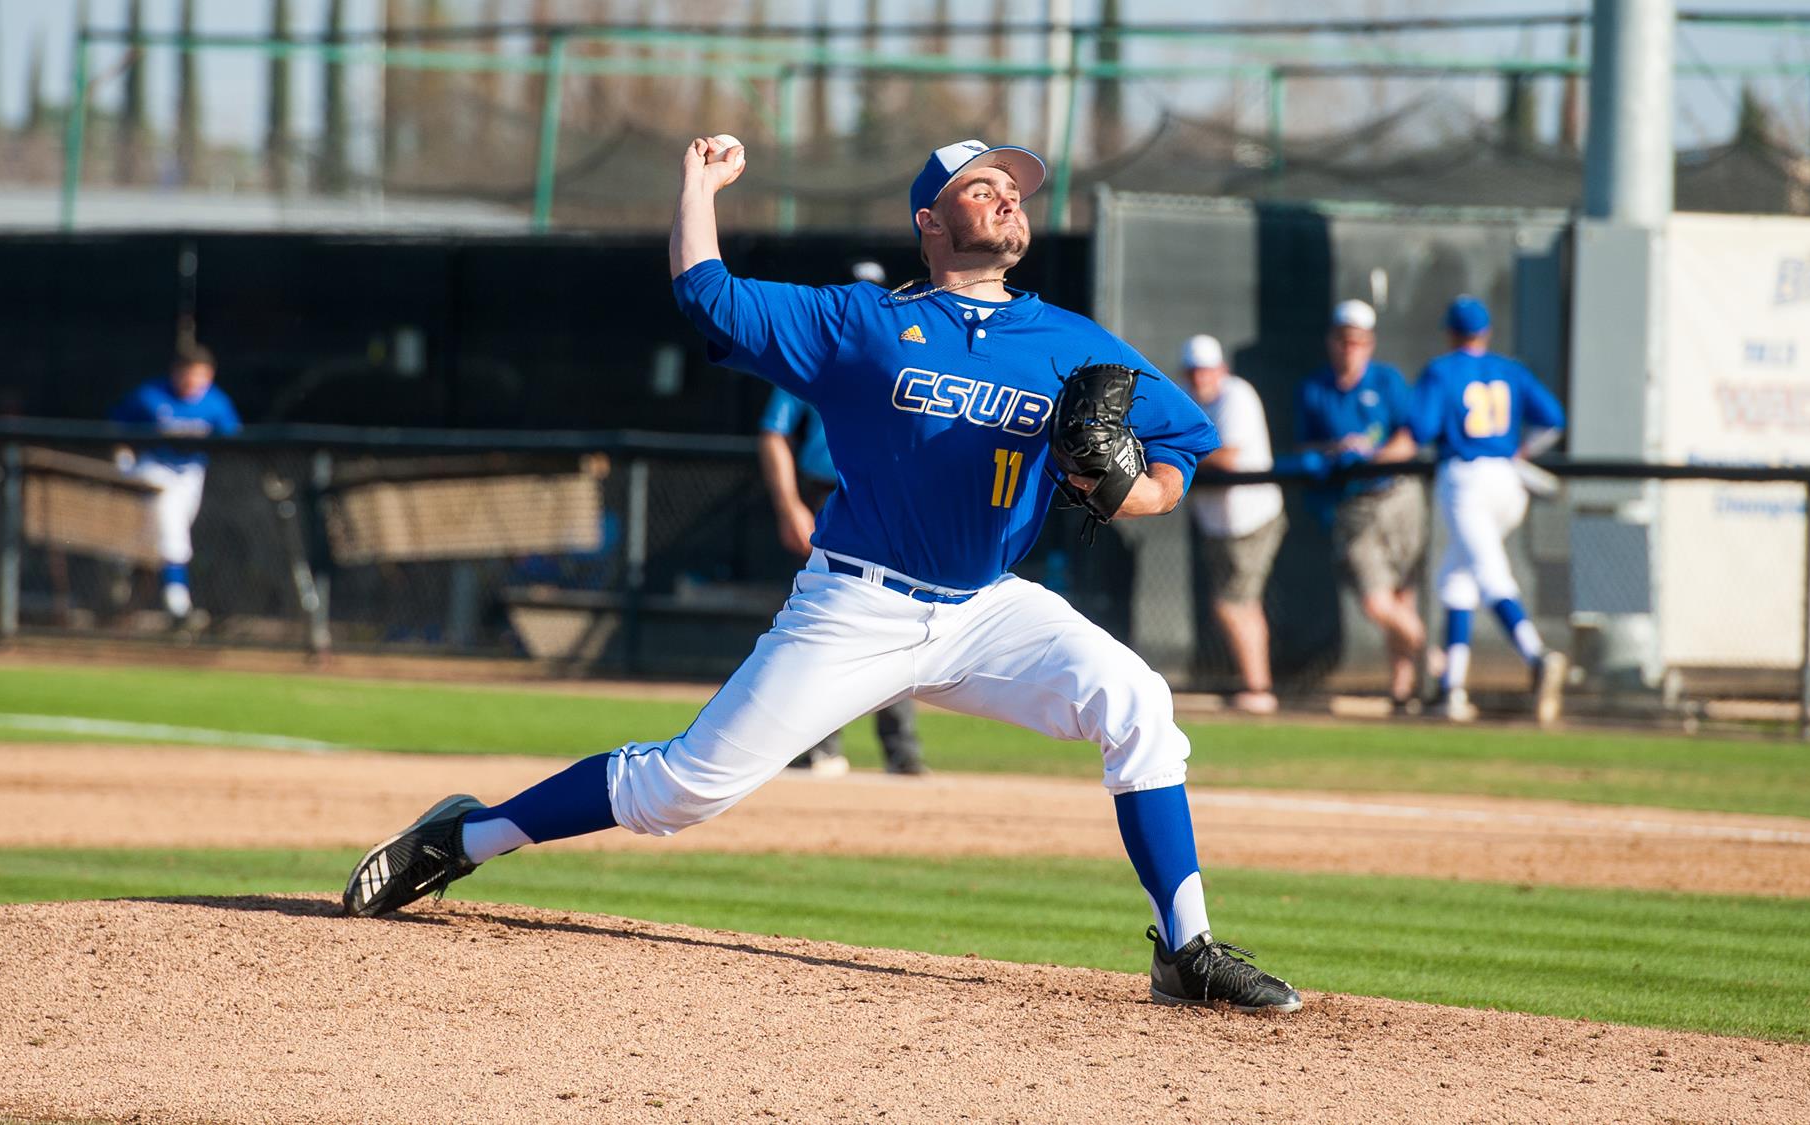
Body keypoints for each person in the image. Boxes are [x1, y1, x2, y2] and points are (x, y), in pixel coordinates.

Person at [342, 136, 1301, 1013]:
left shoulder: (1073, 344)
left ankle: (1187, 950)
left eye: (1015, 188)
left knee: (1139, 704)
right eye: (983, 186)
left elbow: (1180, 451)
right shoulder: (859, 324)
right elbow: (708, 294)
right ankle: (463, 839)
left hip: (988, 610)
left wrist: (1130, 492)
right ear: (931, 221)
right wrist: (697, 187)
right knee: (680, 790)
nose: (1009, 197)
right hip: (858, 604)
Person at [758, 262, 930, 776]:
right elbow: (774, 432)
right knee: (824, 613)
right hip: (825, 494)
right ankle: (817, 744)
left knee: (891, 613)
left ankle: (900, 753)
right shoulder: (816, 357)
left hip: (888, 497)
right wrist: (789, 503)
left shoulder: (909, 356)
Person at [1401, 295, 1568, 724]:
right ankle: (1450, 689)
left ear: (1451, 332)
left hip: (1466, 478)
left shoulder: (1442, 370)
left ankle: (1537, 657)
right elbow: (1553, 418)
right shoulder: (1509, 370)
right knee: (1456, 578)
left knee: (1490, 574)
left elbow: (1420, 428)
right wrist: (1523, 450)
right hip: (1509, 480)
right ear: (1486, 331)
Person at [1294, 300, 1430, 707]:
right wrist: (1338, 450)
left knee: (1404, 594)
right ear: (1331, 342)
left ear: (1369, 344)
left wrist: (1373, 458)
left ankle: (1403, 691)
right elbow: (1306, 445)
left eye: (1357, 342)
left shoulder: (1386, 381)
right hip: (1354, 505)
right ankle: (1438, 662)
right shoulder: (1315, 389)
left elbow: (1410, 438)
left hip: (1398, 496)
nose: (1349, 349)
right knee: (1376, 602)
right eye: (1343, 341)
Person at [1181, 334, 1287, 715]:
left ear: (1221, 369)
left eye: (1207, 371)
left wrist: (1179, 451)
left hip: (1252, 519)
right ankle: (1257, 686)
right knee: (1244, 605)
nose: (1200, 378)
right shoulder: (1186, 398)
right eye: (1194, 372)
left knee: (1231, 604)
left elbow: (1228, 456)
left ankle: (1258, 688)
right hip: (1218, 523)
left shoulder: (1236, 395)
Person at [108, 342, 242, 621]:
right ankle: (177, 602)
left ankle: (123, 565)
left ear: (210, 375)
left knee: (162, 528)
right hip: (153, 467)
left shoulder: (216, 402)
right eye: (187, 374)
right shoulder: (151, 395)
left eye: (200, 375)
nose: (192, 381)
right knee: (172, 526)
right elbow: (117, 423)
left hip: (191, 473)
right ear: (175, 372)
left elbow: (234, 437)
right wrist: (122, 455)